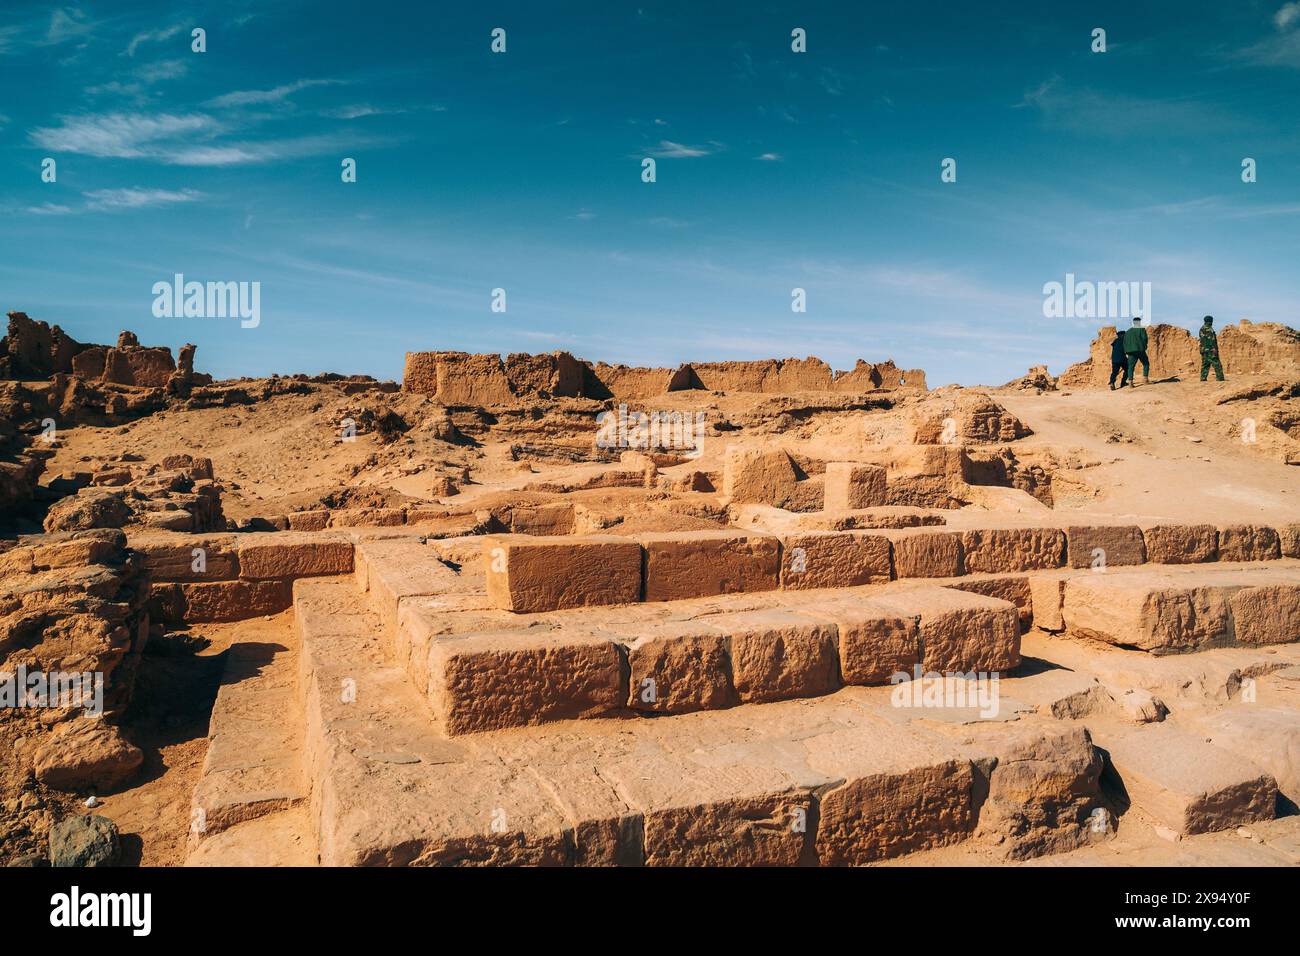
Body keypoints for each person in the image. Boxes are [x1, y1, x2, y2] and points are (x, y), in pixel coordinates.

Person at [1123, 317, 1149, 387]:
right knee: (1146, 363)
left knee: (1130, 367)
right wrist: (1145, 346)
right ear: (1139, 322)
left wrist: (1126, 351)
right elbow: (1144, 338)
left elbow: (1124, 342)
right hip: (1140, 349)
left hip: (1131, 351)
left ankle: (1130, 382)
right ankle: (1145, 379)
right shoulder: (1141, 329)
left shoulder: (1128, 331)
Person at [1199, 315, 1224, 382]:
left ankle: (1203, 378)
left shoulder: (1201, 329)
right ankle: (1220, 378)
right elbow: (1212, 340)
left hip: (1203, 350)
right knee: (1217, 364)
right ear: (1210, 321)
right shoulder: (1209, 329)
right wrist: (1214, 348)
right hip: (1210, 350)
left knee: (1205, 364)